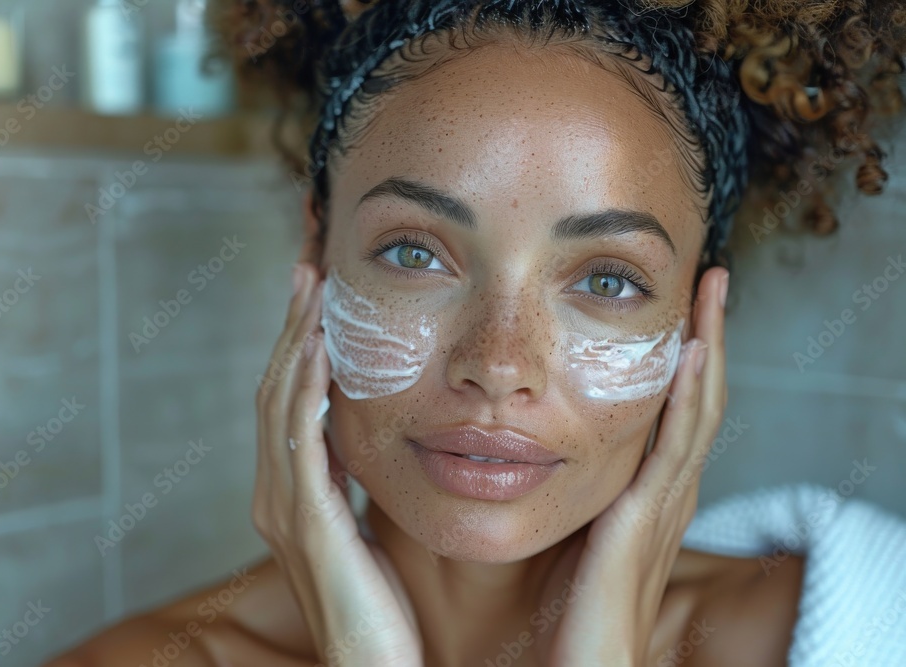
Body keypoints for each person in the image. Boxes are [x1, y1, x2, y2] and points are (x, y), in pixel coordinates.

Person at [44, 1, 906, 665]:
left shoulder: (872, 621)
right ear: (316, 246)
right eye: (416, 252)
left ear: (695, 315)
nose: (498, 363)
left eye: (607, 279)